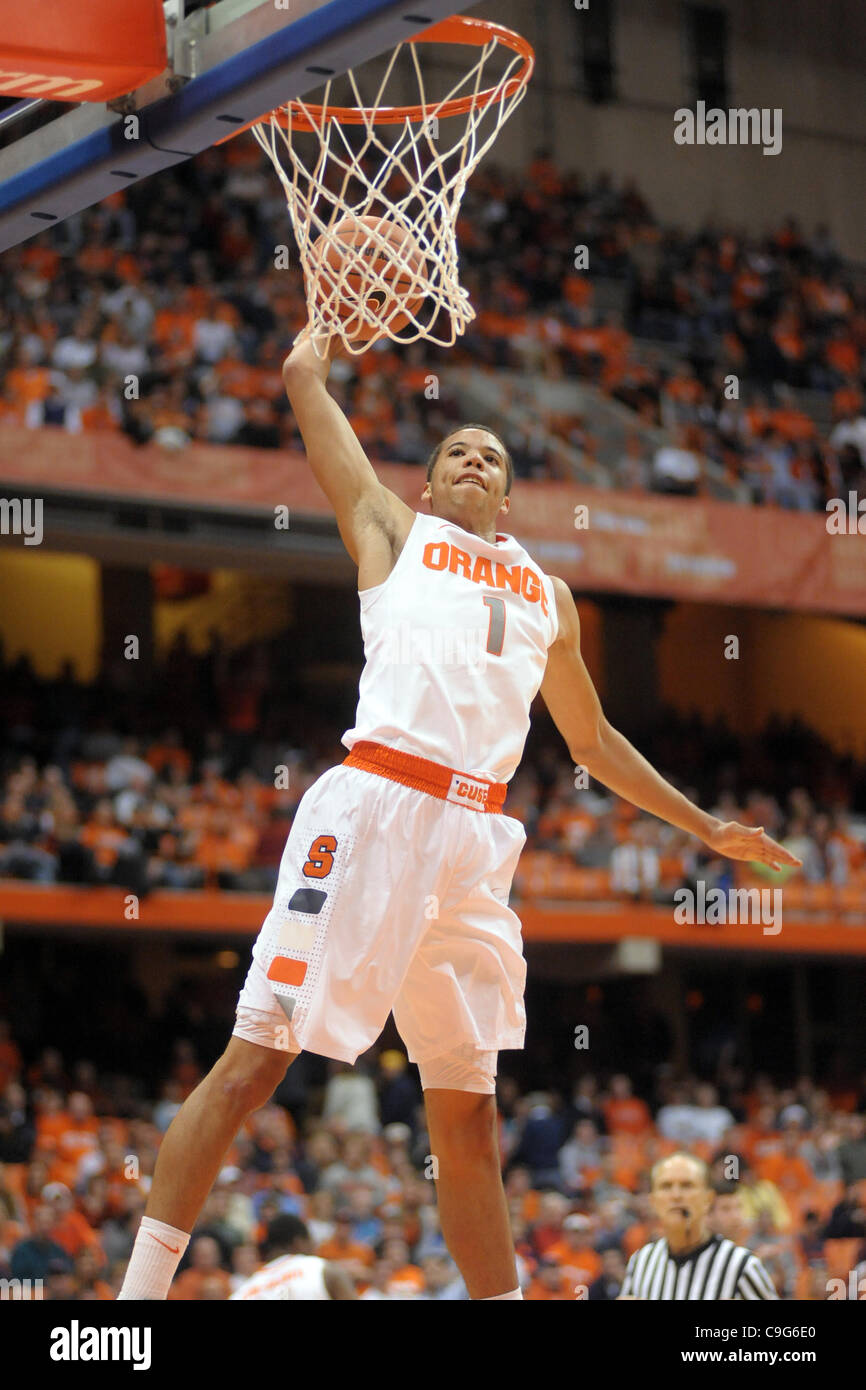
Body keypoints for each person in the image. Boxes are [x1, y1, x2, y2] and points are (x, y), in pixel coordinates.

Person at [118, 328, 798, 1302]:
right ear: (430, 487)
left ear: (508, 498)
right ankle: (130, 1309)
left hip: (475, 844)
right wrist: (306, 367)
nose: (476, 459)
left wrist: (704, 827)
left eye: (494, 456)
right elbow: (327, 443)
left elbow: (594, 742)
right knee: (252, 1062)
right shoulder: (394, 531)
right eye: (457, 453)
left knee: (468, 1114)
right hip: (374, 809)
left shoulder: (546, 595)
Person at [619, 1153, 778, 1299]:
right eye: (666, 1186)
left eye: (687, 1185)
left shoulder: (741, 1266)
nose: (676, 1195)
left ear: (708, 1199)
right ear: (653, 1201)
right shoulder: (641, 1261)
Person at [229, 1214, 355, 1301]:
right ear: (299, 1242)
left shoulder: (242, 1293)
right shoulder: (322, 1270)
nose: (315, 1249)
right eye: (311, 1242)